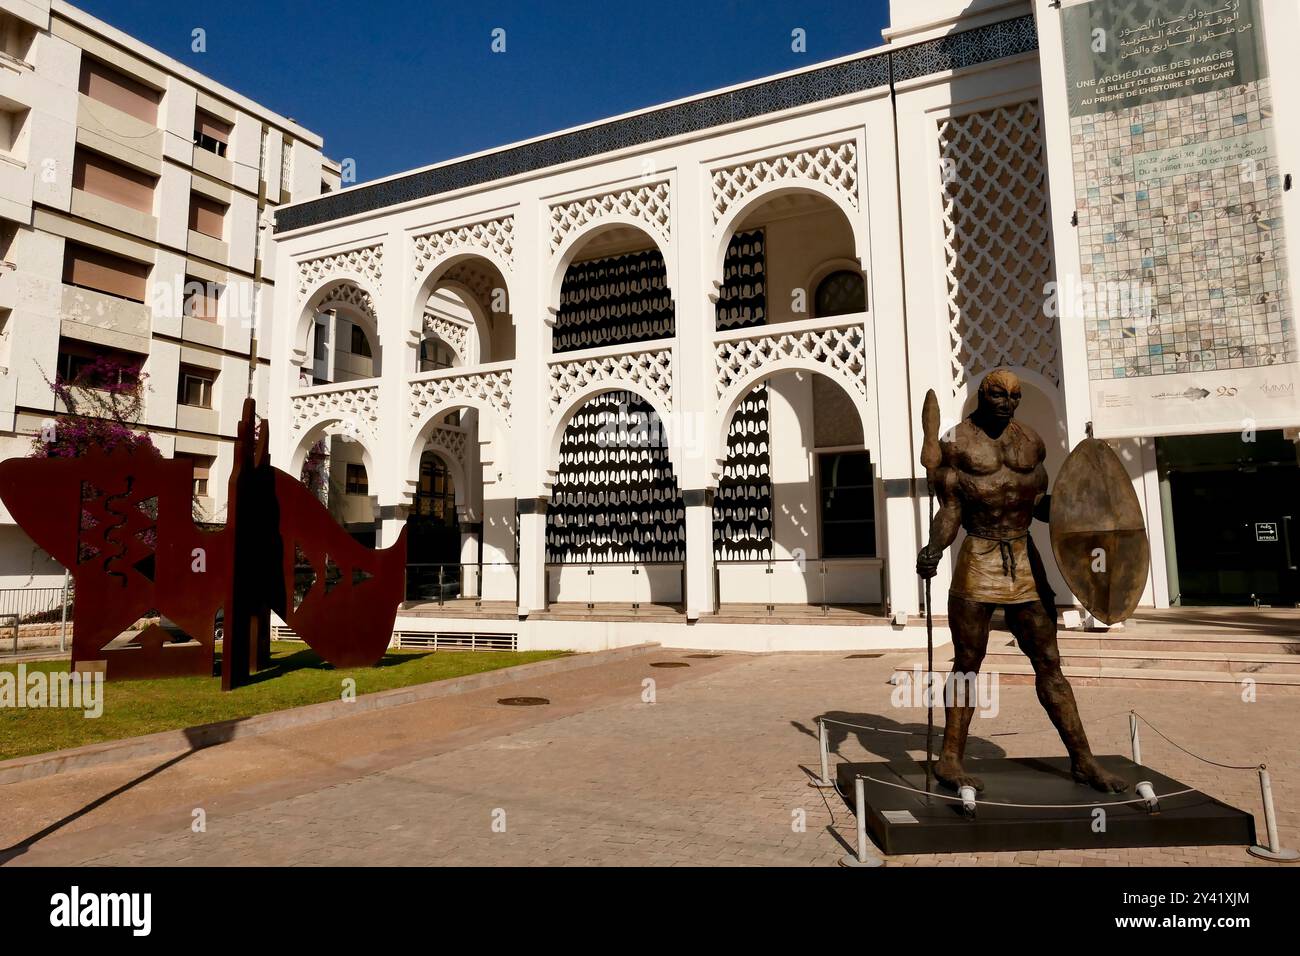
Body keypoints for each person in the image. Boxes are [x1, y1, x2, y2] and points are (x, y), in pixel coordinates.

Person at [916, 369, 1127, 793]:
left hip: (1024, 557)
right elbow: (952, 511)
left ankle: (1083, 760)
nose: (1006, 402)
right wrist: (934, 548)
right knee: (968, 664)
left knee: (1049, 662)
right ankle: (950, 758)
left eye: (1014, 396)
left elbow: (1039, 505)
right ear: (982, 394)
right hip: (979, 557)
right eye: (998, 394)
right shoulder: (956, 443)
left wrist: (1086, 514)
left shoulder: (1031, 441)